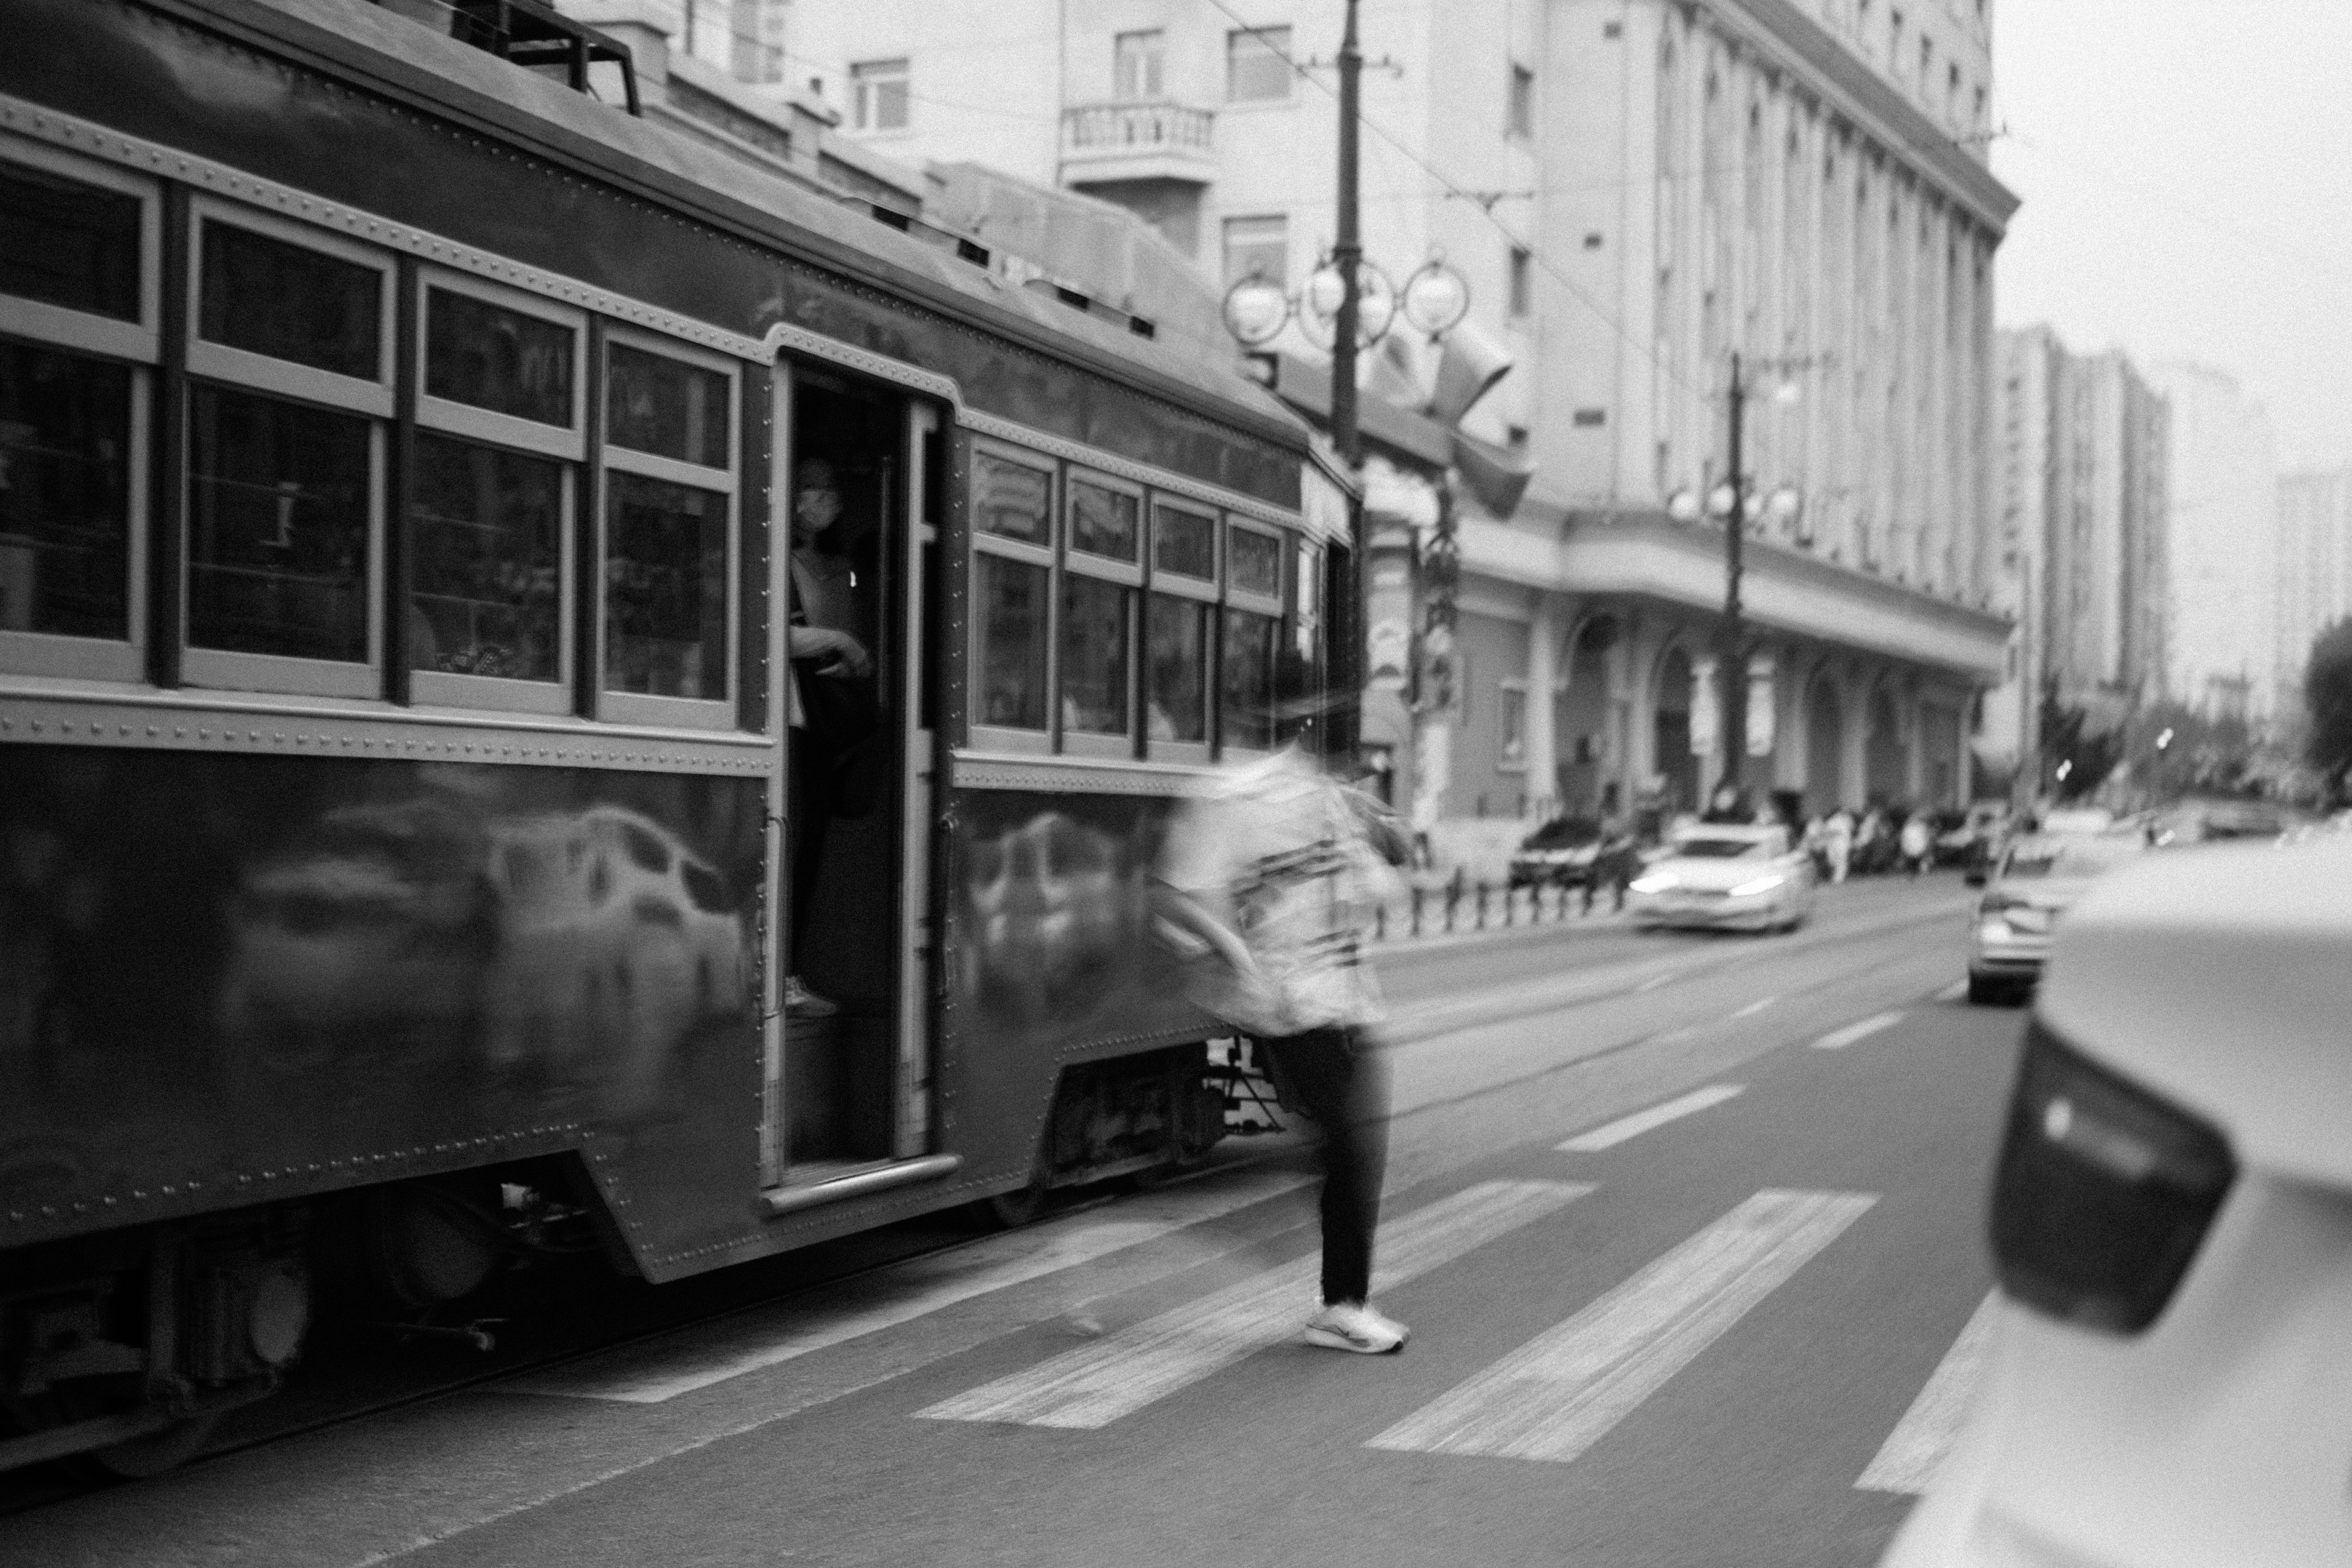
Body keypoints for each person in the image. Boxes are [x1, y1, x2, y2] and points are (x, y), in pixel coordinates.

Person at [1154, 652, 1411, 1356]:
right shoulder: (1230, 797)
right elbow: (1178, 894)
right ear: (1296, 715)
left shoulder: (1323, 794)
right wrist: (1239, 959)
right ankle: (1340, 1304)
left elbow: (1377, 883)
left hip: (1347, 995)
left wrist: (1381, 842)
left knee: (1358, 1150)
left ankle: (1342, 1300)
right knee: (1348, 1146)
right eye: (1319, 707)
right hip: (1287, 1000)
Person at [784, 459, 872, 1020]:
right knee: (793, 853)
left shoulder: (840, 568)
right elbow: (779, 634)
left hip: (824, 723)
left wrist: (849, 659)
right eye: (815, 493)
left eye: (831, 495)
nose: (824, 503)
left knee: (810, 854)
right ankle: (784, 974)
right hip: (792, 723)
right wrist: (838, 641)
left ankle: (792, 971)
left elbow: (857, 647)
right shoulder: (780, 556)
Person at [1824, 805, 1855, 884]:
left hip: (1843, 842)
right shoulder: (1832, 821)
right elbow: (1829, 832)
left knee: (1842, 860)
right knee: (1835, 861)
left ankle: (1839, 879)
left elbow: (1851, 829)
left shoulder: (1847, 820)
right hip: (1835, 843)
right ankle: (1837, 878)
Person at [1899, 809, 1933, 877]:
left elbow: (1903, 842)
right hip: (1919, 851)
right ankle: (1923, 866)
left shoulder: (1907, 828)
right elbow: (1928, 839)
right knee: (1927, 848)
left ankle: (1917, 868)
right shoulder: (1921, 827)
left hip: (1909, 851)